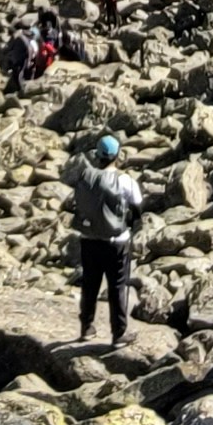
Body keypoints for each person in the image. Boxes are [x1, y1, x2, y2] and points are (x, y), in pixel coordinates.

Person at [69, 130, 143, 342]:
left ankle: (86, 327)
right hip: (116, 241)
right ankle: (119, 332)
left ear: (97, 155)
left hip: (89, 238)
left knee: (90, 284)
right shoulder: (124, 180)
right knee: (117, 286)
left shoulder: (86, 176)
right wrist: (133, 225)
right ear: (117, 156)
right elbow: (137, 207)